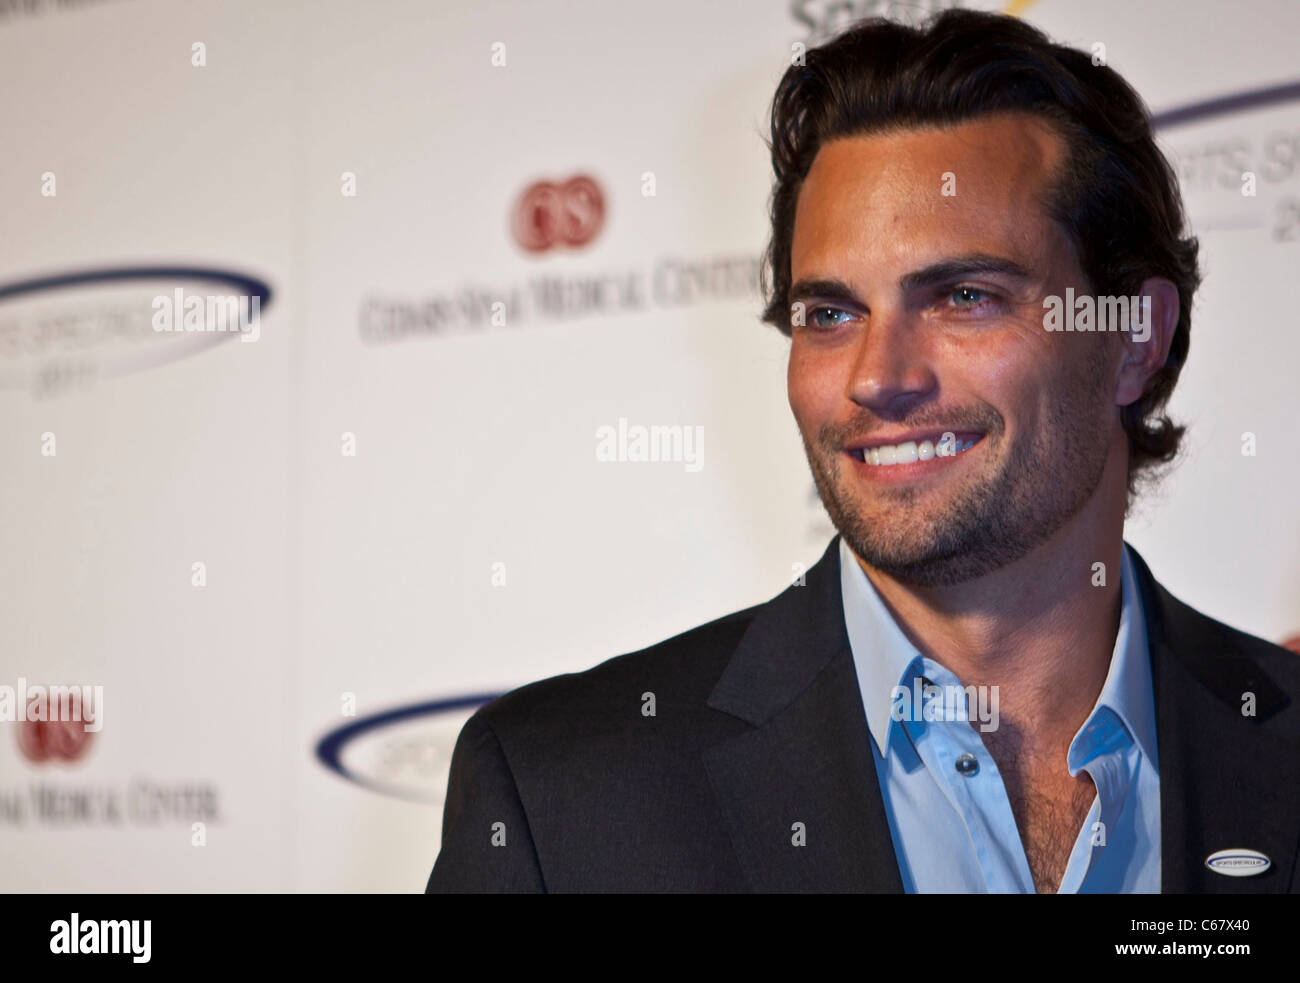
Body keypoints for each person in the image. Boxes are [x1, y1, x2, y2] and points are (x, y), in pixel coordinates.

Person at [426, 8, 1300, 893]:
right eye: (831, 315)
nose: (878, 378)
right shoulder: (561, 803)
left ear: (1135, 338)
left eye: (963, 296)